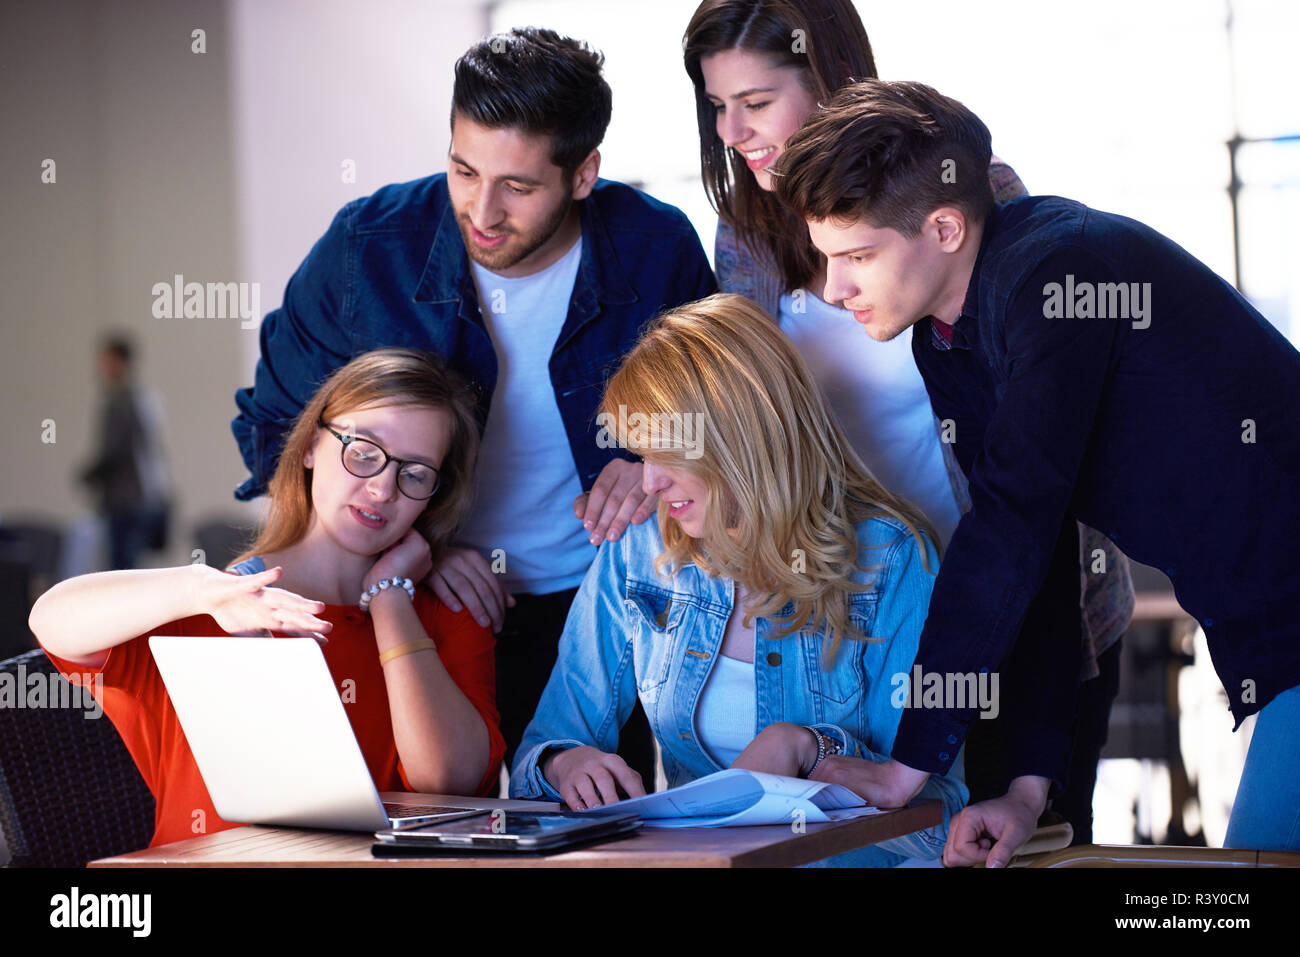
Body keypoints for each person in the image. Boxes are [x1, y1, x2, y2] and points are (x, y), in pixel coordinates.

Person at [774, 78, 1300, 861]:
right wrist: (1027, 783)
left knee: (1236, 896)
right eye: (827, 258)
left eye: (857, 256)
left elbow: (1007, 531)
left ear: (945, 225)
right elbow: (1041, 548)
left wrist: (904, 768)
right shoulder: (947, 337)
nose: (834, 287)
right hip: (1270, 624)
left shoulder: (1057, 273)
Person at [681, 0, 1131, 845]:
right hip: (864, 629)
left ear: (830, 77)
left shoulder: (966, 197)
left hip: (1011, 603)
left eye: (757, 99)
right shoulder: (744, 236)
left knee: (1018, 836)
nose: (734, 129)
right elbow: (742, 417)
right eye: (717, 105)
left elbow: (1035, 461)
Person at [231, 28, 715, 792]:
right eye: (462, 169)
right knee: (422, 823)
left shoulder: (656, 247)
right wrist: (418, 537)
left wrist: (655, 462)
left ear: (584, 173)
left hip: (597, 608)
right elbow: (272, 431)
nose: (482, 210)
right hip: (419, 597)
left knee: (597, 824)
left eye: (518, 187)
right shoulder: (367, 246)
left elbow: (721, 426)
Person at [510, 293, 966, 867]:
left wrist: (807, 747)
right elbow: (540, 752)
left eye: (665, 454)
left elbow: (931, 811)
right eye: (640, 454)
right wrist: (564, 763)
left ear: (739, 443)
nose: (647, 482)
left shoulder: (893, 556)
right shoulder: (640, 544)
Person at [32, 349, 505, 847]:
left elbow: (445, 779)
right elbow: (52, 619)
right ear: (310, 446)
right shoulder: (213, 605)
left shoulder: (444, 611)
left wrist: (390, 598)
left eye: (414, 474)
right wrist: (201, 588)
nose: (383, 487)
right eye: (363, 451)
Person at [79, 334, 172, 570]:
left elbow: (115, 451)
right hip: (142, 497)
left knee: (121, 570)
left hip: (124, 499)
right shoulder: (144, 399)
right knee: (131, 566)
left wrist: (89, 474)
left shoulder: (119, 402)